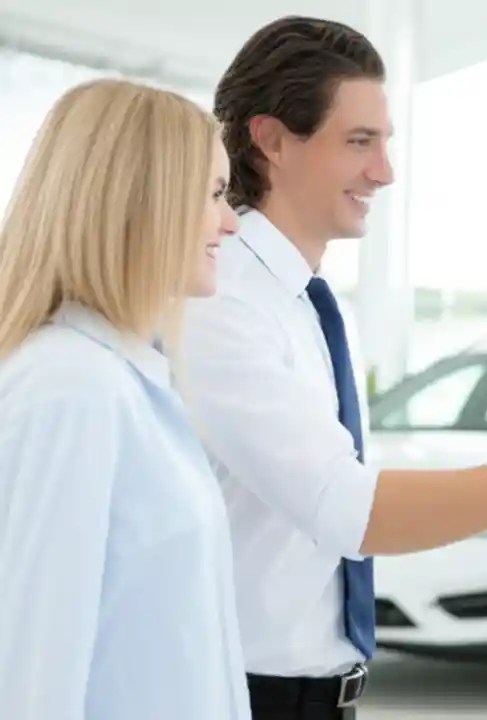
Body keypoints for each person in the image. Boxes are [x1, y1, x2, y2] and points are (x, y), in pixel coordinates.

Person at [182, 16, 487, 719]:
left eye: (385, 143)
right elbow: (348, 510)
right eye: (359, 142)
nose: (384, 172)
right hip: (250, 696)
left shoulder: (308, 304)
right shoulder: (223, 299)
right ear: (273, 140)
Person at [0, 79, 246, 718]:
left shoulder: (116, 378)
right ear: (144, 201)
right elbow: (31, 674)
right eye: (214, 194)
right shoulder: (70, 388)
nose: (230, 222)